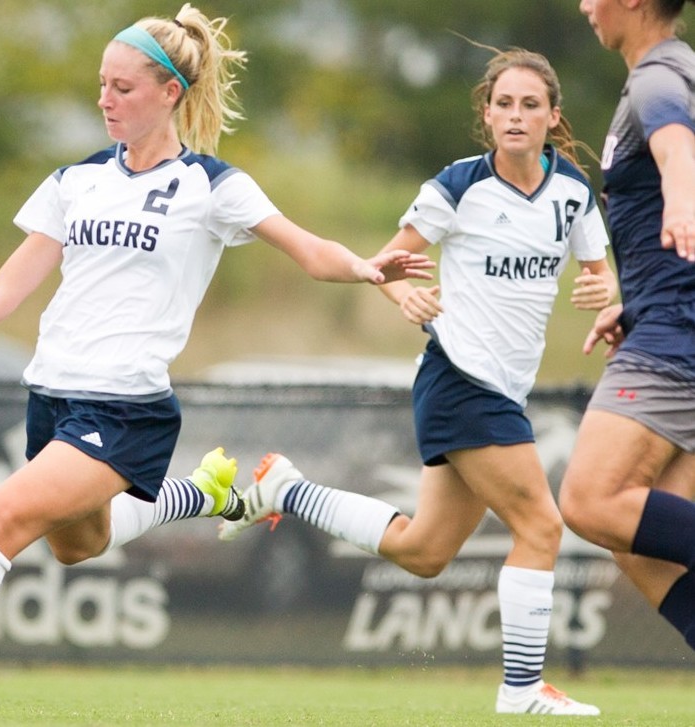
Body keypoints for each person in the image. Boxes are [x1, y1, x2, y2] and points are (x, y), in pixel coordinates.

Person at [0, 3, 433, 717]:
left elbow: (308, 250)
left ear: (169, 92)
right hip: (51, 400)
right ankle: (203, 494)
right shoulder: (74, 181)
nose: (104, 99)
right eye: (101, 85)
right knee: (75, 546)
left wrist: (365, 267)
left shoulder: (211, 185)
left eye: (122, 87)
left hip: (123, 409)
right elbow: (2, 291)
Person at [219, 47, 614, 716]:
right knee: (540, 525)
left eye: (529, 105)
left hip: (501, 389)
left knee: (424, 550)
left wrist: (604, 290)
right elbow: (383, 266)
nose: (514, 116)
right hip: (459, 378)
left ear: (552, 116)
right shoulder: (456, 186)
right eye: (503, 104)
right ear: (485, 115)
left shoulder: (572, 190)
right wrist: (398, 296)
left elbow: (597, 274)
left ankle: (286, 488)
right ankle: (520, 690)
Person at [559, 0, 695, 655]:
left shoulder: (657, 78)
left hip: (673, 335)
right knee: (642, 542)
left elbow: (676, 151)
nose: (585, 5)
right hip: (663, 314)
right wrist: (633, 298)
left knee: (590, 499)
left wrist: (681, 197)